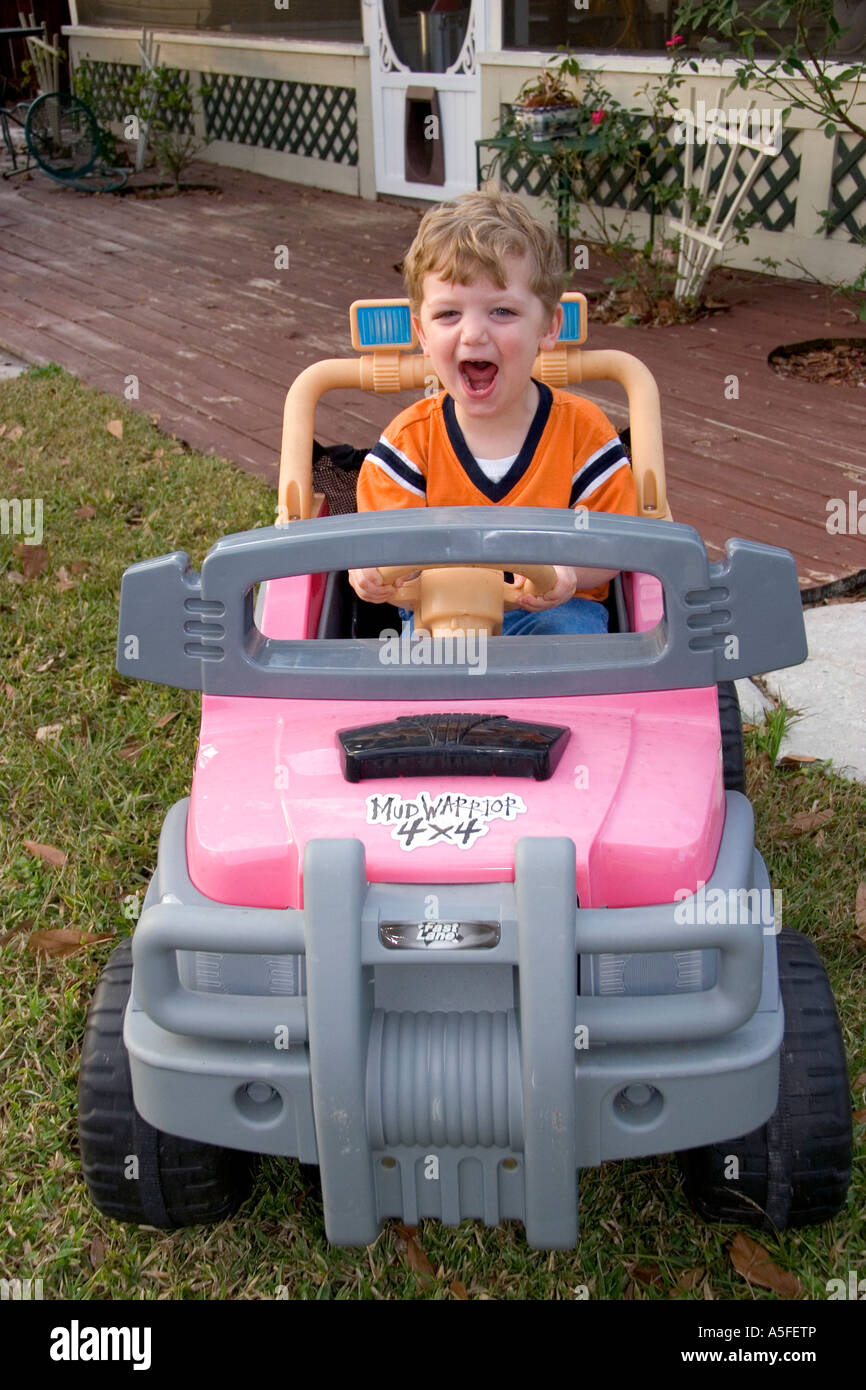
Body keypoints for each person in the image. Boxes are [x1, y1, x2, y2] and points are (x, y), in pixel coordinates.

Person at [348, 189, 637, 634]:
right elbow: (385, 550)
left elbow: (615, 546)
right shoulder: (408, 445)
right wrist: (371, 573)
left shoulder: (583, 432)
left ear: (548, 326)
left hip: (551, 613)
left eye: (502, 310)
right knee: (405, 673)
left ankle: (546, 706)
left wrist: (569, 572)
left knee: (568, 644)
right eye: (448, 314)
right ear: (421, 334)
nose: (473, 335)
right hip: (439, 617)